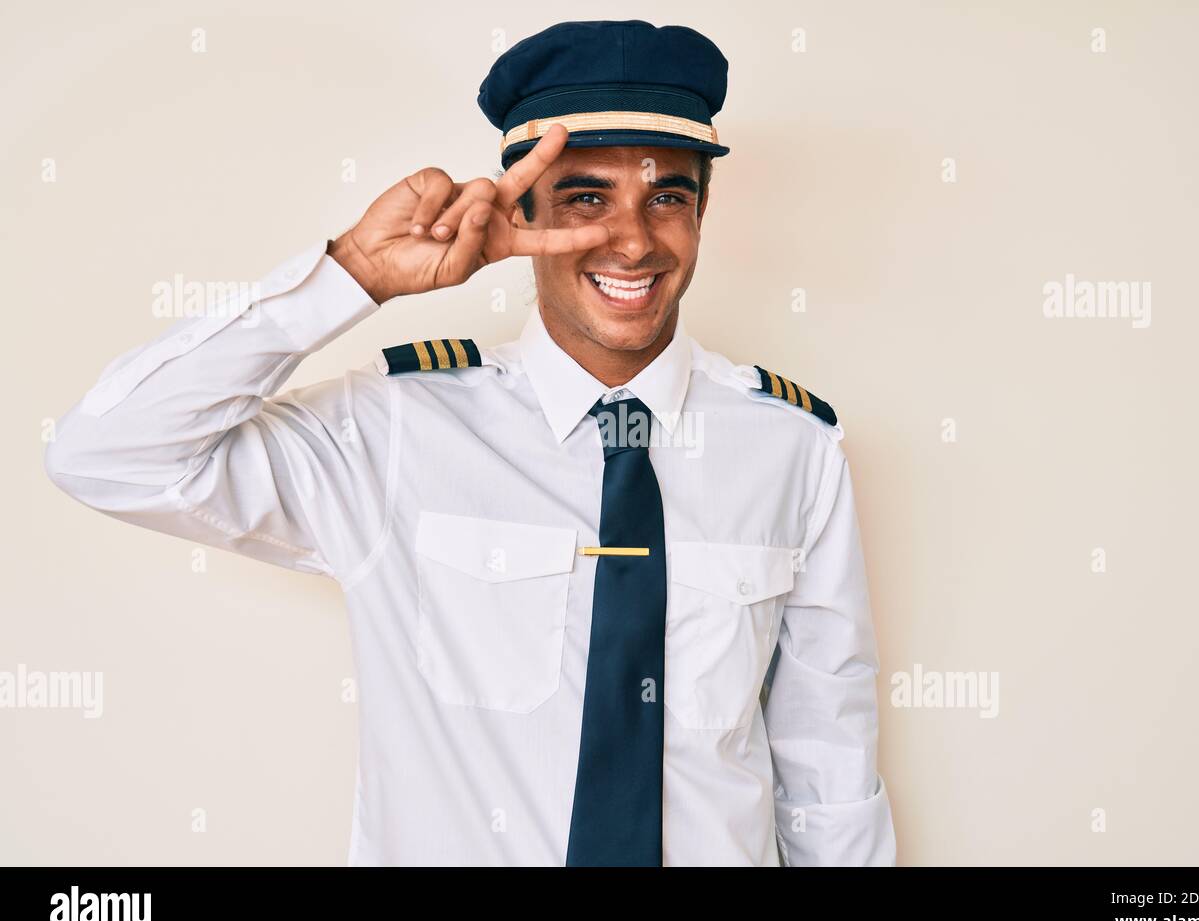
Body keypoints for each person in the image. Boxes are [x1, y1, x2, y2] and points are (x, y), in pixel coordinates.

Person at [44, 19, 895, 866]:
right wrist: (352, 276)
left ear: (703, 211)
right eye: (585, 198)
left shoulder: (792, 447)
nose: (632, 241)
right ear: (519, 211)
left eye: (666, 195)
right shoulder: (395, 432)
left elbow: (830, 769)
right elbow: (107, 453)